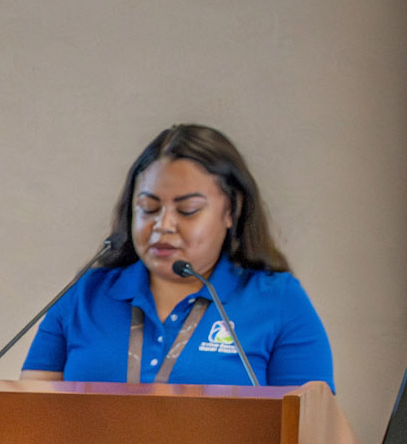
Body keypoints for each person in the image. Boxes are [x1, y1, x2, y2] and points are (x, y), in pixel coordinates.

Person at [21, 124, 334, 388]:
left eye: (188, 210)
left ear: (232, 209)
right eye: (149, 209)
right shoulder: (84, 296)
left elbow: (313, 439)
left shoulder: (278, 301)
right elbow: (26, 422)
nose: (163, 225)